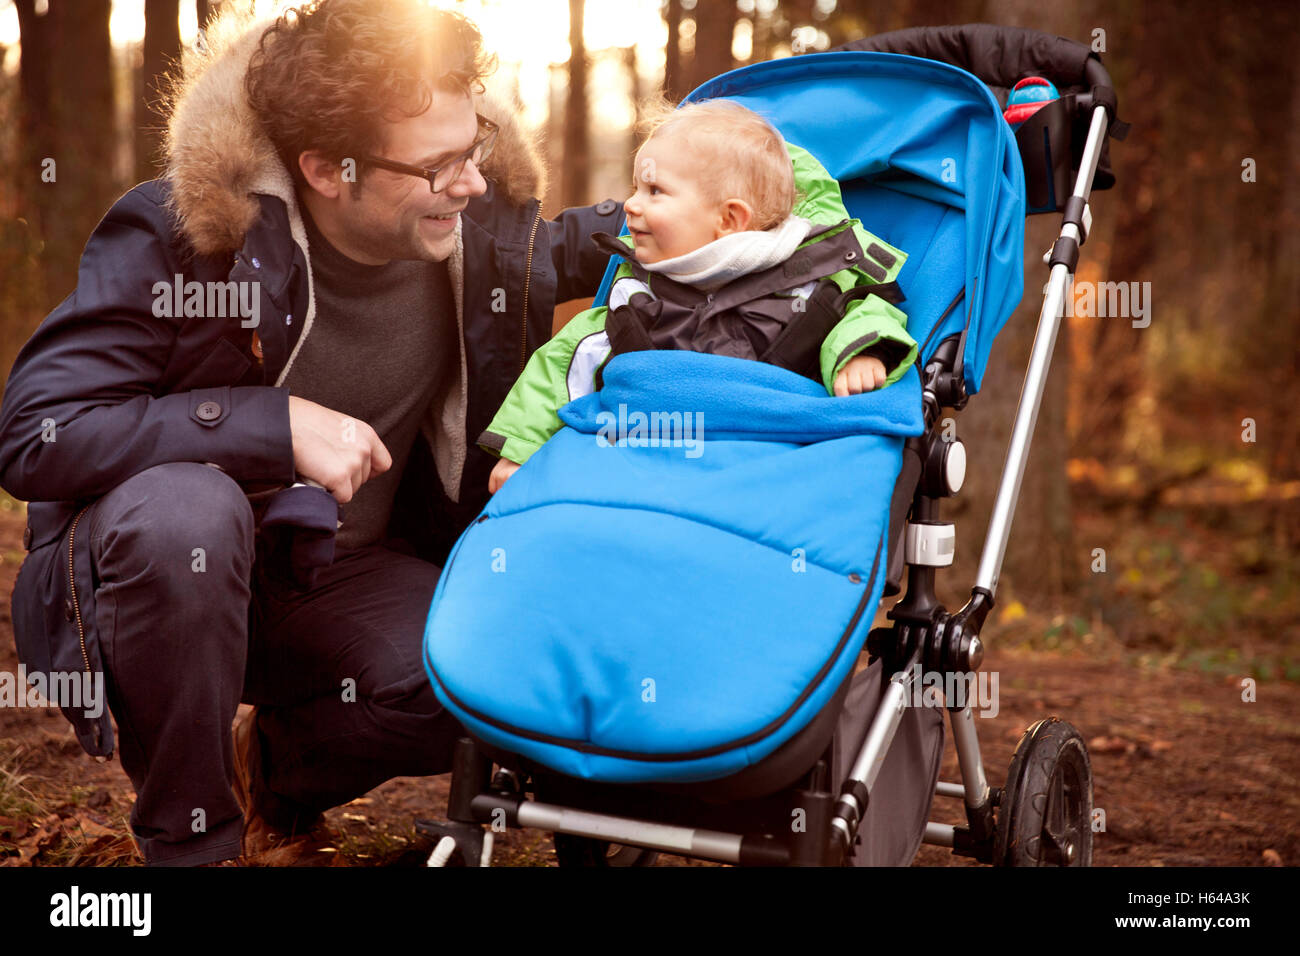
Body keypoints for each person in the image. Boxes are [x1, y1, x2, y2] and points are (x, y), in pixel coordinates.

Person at [0, 0, 622, 866]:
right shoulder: (183, 234)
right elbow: (38, 431)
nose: (472, 183)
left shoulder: (478, 244)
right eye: (439, 165)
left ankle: (278, 777)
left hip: (343, 580)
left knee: (478, 676)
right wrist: (268, 424)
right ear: (330, 170)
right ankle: (193, 845)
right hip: (159, 578)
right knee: (188, 515)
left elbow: (656, 231)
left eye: (473, 146)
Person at [479, 100, 917, 492]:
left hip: (770, 466)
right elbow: (563, 363)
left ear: (728, 218)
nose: (630, 205)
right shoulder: (634, 298)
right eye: (635, 188)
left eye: (654, 192)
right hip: (645, 467)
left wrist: (861, 353)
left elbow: (864, 310)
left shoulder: (813, 282)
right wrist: (520, 446)